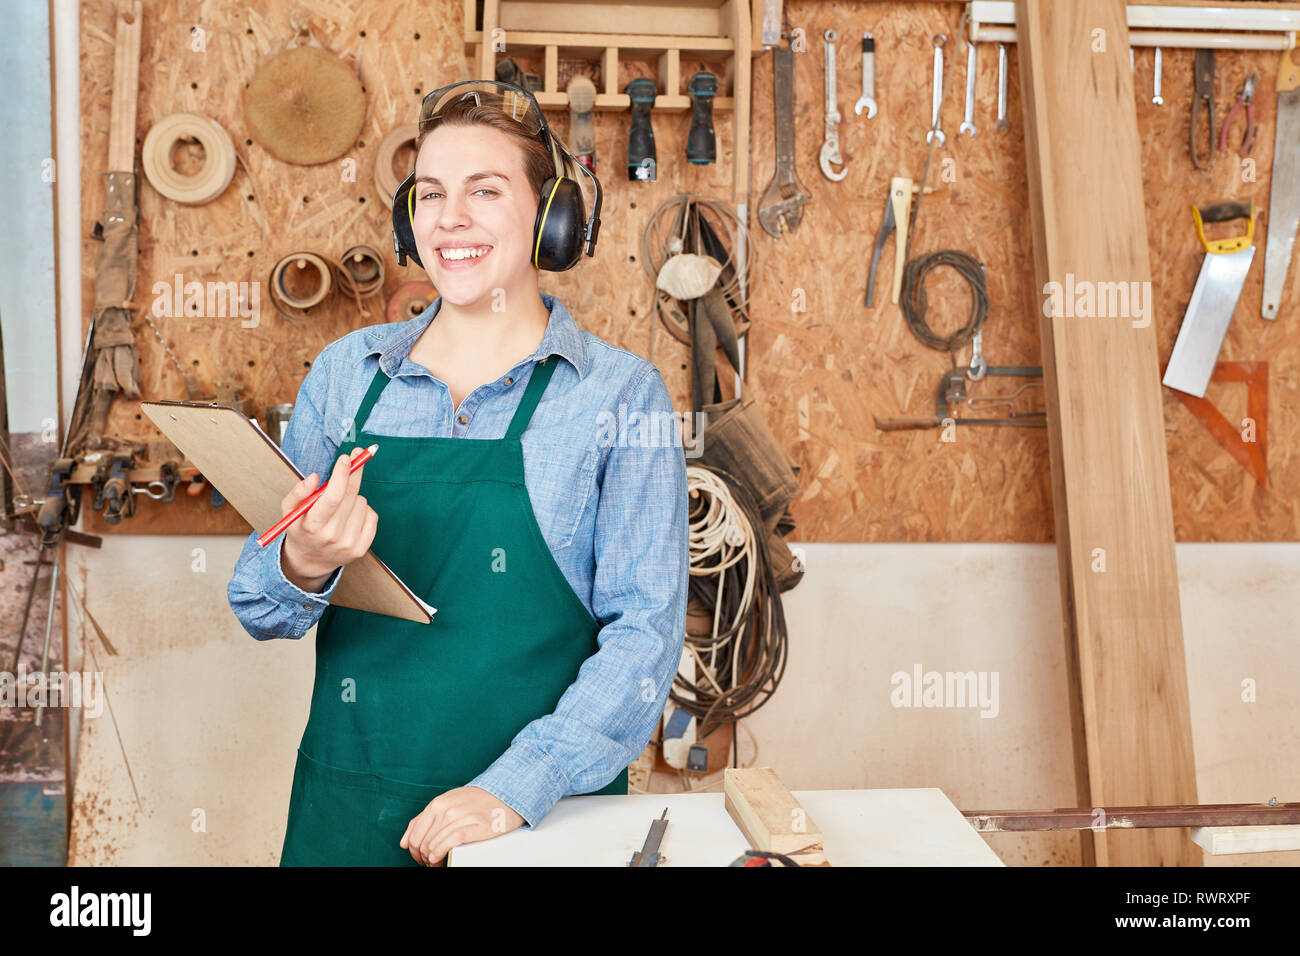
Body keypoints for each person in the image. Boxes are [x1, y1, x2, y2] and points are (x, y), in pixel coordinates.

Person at [227, 81, 689, 866]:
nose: (450, 219)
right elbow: (257, 605)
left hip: (543, 823)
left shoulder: (618, 394)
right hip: (351, 807)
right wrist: (304, 559)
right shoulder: (349, 374)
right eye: (432, 193)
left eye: (486, 190)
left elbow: (645, 637)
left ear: (553, 221)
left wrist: (515, 786)